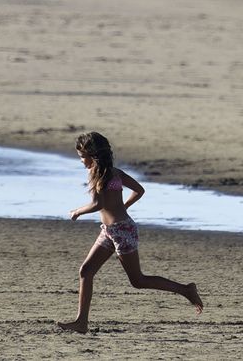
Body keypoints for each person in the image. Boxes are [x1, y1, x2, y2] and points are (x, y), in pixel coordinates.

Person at [57, 132, 203, 334]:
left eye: (82, 156)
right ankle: (81, 322)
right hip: (111, 230)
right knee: (86, 271)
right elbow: (139, 190)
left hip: (122, 232)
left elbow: (98, 204)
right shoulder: (115, 172)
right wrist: (121, 207)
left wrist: (77, 212)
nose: (81, 161)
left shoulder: (96, 173)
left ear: (92, 154)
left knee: (138, 280)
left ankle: (186, 289)